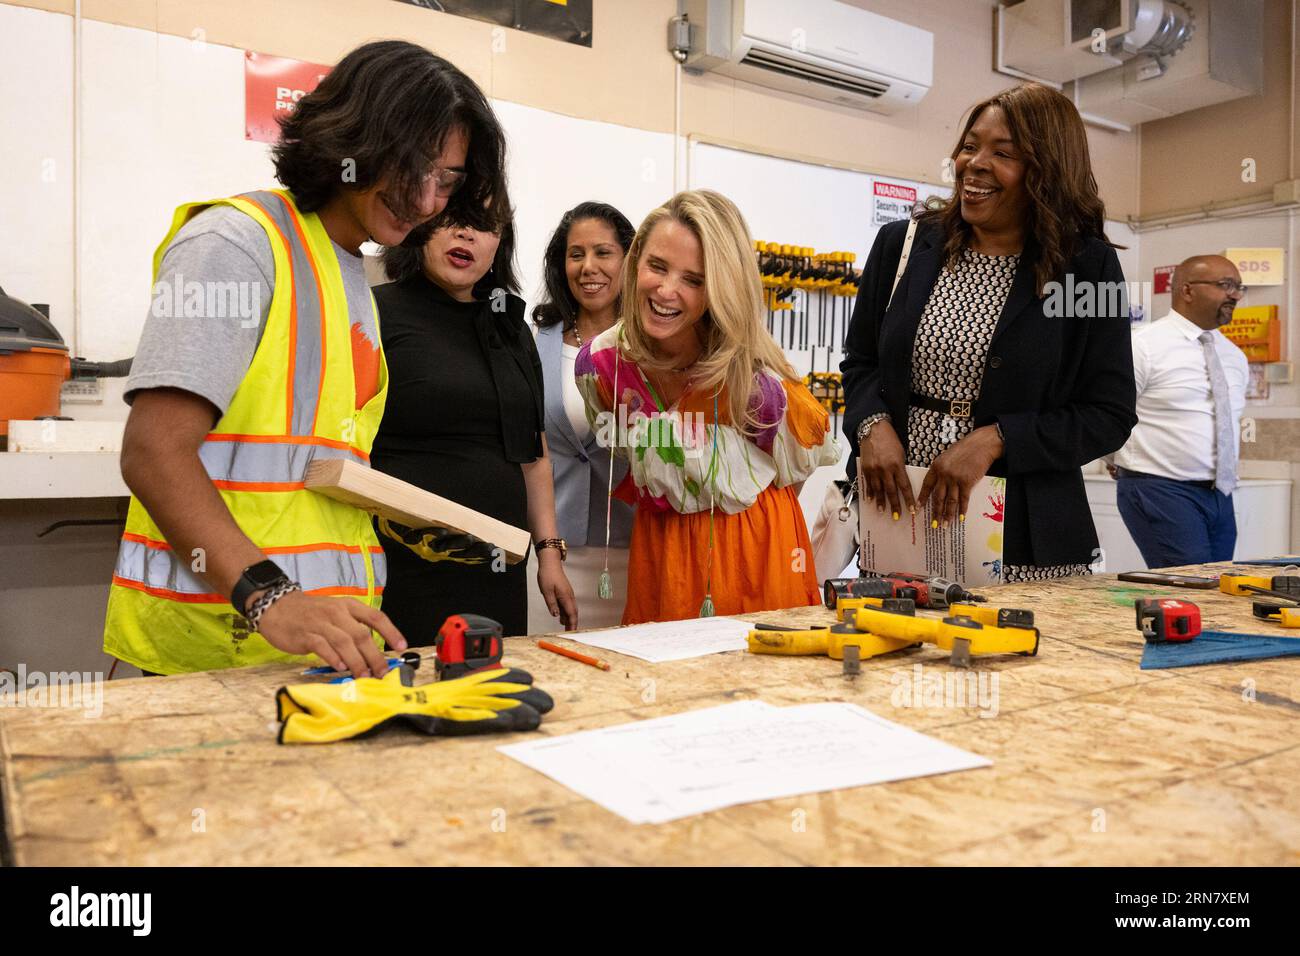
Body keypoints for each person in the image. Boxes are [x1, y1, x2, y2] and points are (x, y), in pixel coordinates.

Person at [103, 41, 507, 677]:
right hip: (215, 647)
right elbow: (154, 451)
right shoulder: (236, 243)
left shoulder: (347, 272)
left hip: (317, 648)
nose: (429, 201)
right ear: (354, 138)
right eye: (415, 168)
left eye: (447, 181)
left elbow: (308, 473)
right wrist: (271, 595)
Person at [842, 82, 1137, 582]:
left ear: (1046, 172)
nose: (974, 164)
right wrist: (872, 425)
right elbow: (861, 362)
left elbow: (1108, 413)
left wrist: (998, 439)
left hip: (1027, 541)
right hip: (901, 524)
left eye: (1003, 153)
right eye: (970, 146)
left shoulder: (1086, 268)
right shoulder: (903, 245)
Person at [575, 189, 839, 624]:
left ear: (720, 288)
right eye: (657, 266)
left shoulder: (757, 384)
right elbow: (625, 452)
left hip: (757, 556)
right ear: (635, 259)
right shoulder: (602, 367)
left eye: (694, 280)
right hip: (660, 557)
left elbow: (798, 471)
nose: (666, 290)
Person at [374, 201, 577, 641]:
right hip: (401, 561)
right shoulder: (376, 311)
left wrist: (549, 556)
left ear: (499, 243)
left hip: (496, 565)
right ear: (420, 224)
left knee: (492, 691)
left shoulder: (512, 328)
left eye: (485, 225)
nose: (466, 233)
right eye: (451, 217)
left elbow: (532, 454)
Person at [528, 202, 636, 633]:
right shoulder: (537, 343)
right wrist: (545, 550)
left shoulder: (652, 346)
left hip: (632, 553)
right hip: (552, 556)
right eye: (576, 255)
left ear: (630, 259)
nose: (588, 267)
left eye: (603, 252)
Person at [1109, 256, 1249, 566]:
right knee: (1190, 589)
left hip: (1220, 493)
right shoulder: (1142, 346)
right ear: (1187, 290)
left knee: (1220, 588)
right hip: (1159, 487)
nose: (1235, 295)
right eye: (1226, 285)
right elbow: (1108, 412)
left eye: (1239, 288)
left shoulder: (1234, 356)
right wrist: (1114, 457)